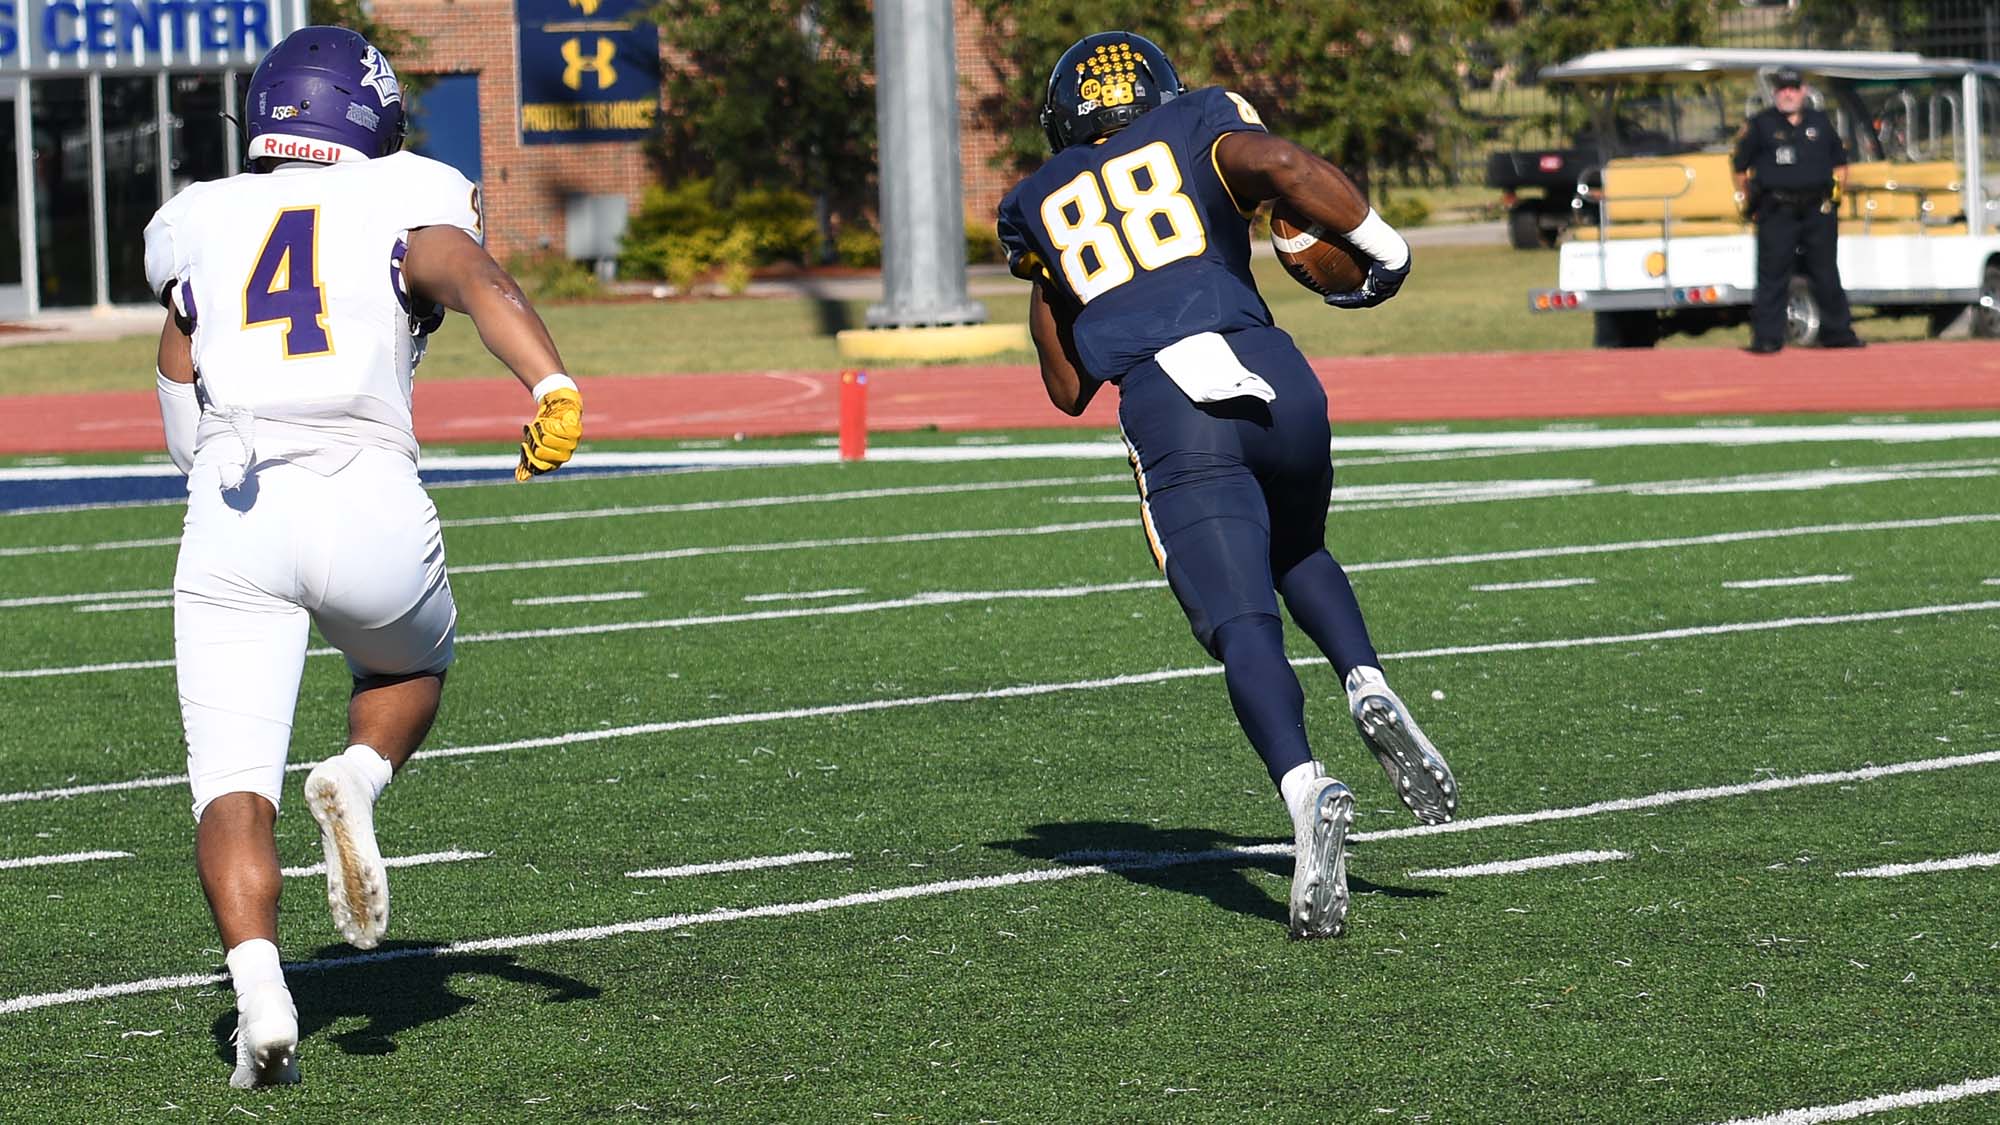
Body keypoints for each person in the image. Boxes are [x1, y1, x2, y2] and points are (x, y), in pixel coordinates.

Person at [145, 26, 584, 1088]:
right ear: (369, 115)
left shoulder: (198, 218)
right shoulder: (404, 193)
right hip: (365, 493)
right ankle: (357, 771)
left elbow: (176, 361)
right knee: (405, 670)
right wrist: (550, 387)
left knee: (229, 783)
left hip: (235, 502)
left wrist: (207, 476)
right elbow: (472, 275)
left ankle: (261, 996)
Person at [996, 31, 1456, 942]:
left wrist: (1053, 271)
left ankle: (1305, 786)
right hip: (1277, 376)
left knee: (1243, 623)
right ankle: (1364, 675)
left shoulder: (1033, 200)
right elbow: (1280, 162)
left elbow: (1064, 387)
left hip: (1173, 403)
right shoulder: (1200, 120)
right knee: (1300, 546)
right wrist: (1384, 251)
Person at [1731, 66, 1865, 353]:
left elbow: (1840, 164)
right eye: (1782, 89)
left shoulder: (1820, 122)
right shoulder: (1761, 124)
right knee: (1772, 274)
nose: (1788, 94)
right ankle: (1767, 337)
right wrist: (1749, 200)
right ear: (1775, 92)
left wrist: (1835, 198)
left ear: (1803, 91)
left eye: (1793, 88)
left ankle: (1838, 332)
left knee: (1825, 272)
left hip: (1817, 208)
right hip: (1777, 208)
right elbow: (1740, 167)